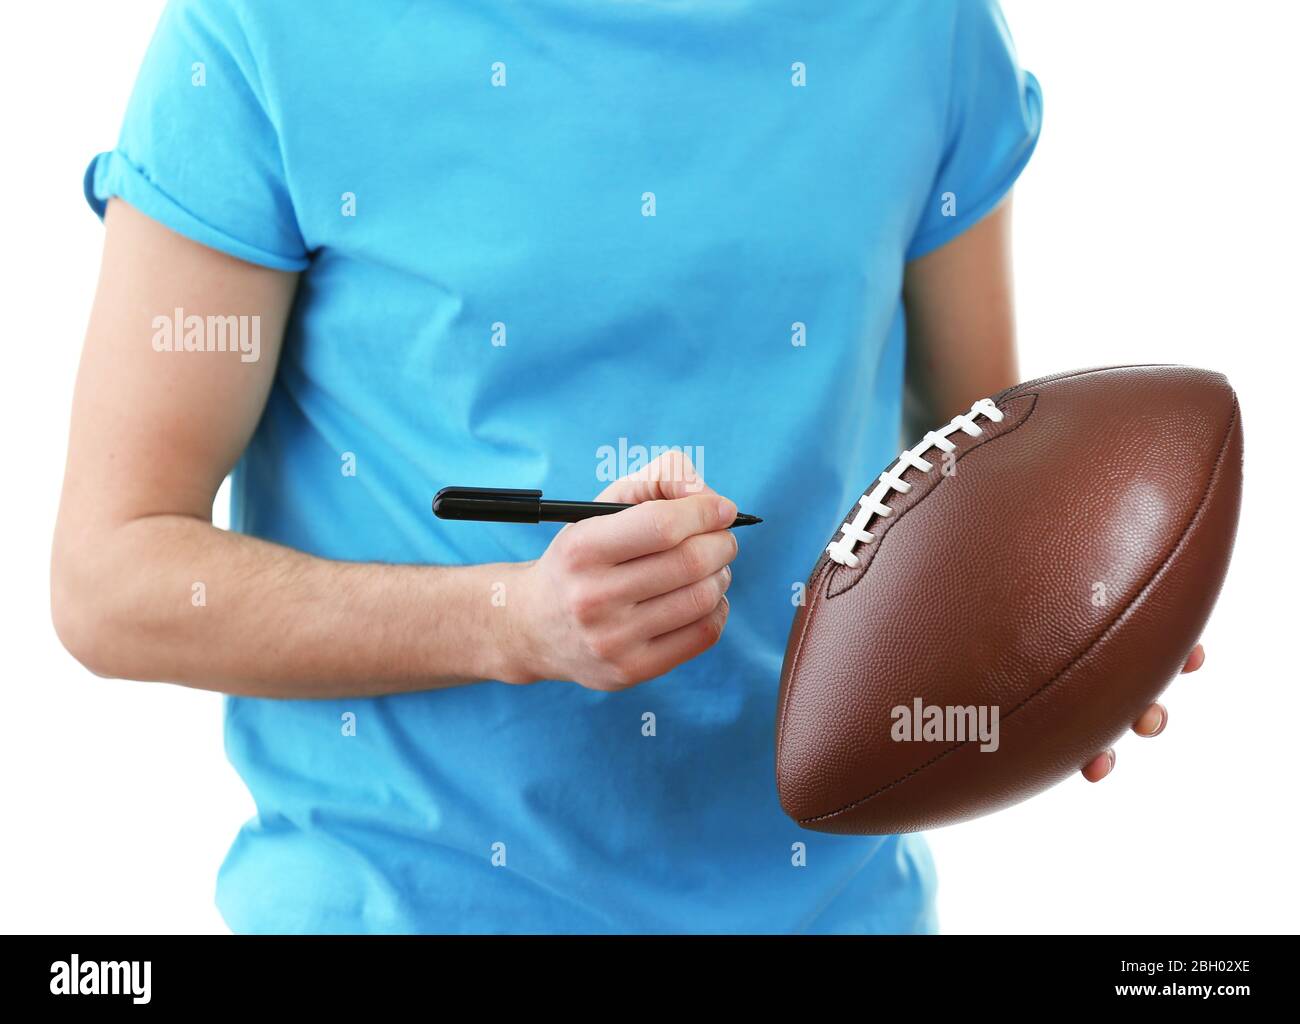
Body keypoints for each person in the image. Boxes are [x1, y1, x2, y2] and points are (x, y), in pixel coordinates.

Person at [52, 0, 1199, 934]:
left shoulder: (922, 28)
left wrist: (1074, 622)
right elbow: (112, 575)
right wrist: (508, 621)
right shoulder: (261, 32)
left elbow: (978, 465)